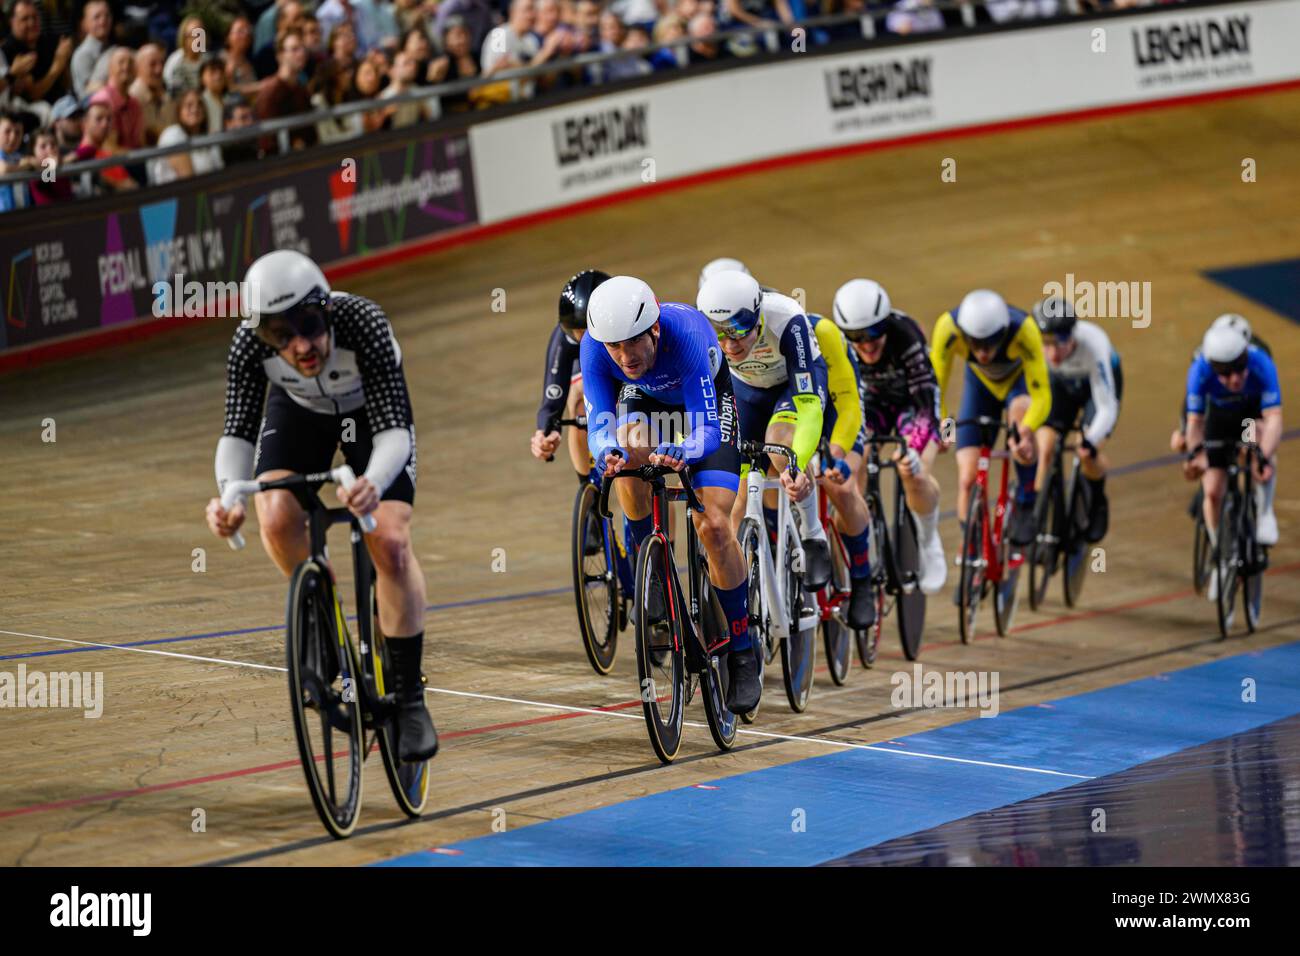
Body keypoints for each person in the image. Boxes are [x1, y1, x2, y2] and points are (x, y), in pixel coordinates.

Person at [205, 250, 438, 763]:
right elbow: (237, 432)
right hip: (301, 415)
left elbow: (395, 430)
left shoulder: (364, 322)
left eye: (308, 325)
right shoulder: (248, 342)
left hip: (371, 419)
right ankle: (324, 625)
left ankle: (409, 698)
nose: (301, 346)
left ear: (326, 308)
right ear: (264, 335)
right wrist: (228, 493)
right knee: (275, 514)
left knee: (391, 543)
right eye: (281, 337)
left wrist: (373, 482)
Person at [581, 275, 761, 714]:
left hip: (707, 408)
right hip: (649, 404)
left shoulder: (685, 337)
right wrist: (607, 450)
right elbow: (600, 424)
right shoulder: (594, 346)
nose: (624, 357)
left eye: (632, 344)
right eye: (614, 347)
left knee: (714, 526)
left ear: (654, 330)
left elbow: (704, 426)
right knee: (623, 456)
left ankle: (742, 648)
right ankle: (654, 572)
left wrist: (682, 449)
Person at [696, 270, 838, 596]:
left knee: (779, 449)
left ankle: (813, 533)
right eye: (721, 335)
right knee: (736, 496)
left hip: (791, 388)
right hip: (746, 393)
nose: (730, 346)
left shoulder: (788, 319)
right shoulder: (700, 330)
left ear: (759, 319)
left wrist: (797, 464)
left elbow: (810, 407)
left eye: (740, 333)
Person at [832, 278, 947, 595]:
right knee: (857, 462)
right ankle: (863, 535)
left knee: (913, 470)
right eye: (857, 337)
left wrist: (912, 449)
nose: (867, 344)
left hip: (911, 407)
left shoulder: (906, 335)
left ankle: (928, 539)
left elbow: (927, 406)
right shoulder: (837, 345)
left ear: (886, 323)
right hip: (869, 408)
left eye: (874, 332)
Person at [930, 289, 1051, 557]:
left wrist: (1027, 429)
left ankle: (1026, 501)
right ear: (964, 334)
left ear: (1004, 332)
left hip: (1016, 386)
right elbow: (935, 388)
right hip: (980, 388)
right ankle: (973, 545)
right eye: (975, 343)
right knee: (967, 478)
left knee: (1020, 430)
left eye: (990, 343)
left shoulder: (1025, 329)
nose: (983, 353)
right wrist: (946, 430)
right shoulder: (948, 328)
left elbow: (1042, 395)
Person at [1182, 319, 1282, 598]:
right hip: (1219, 419)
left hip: (1249, 417)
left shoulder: (1261, 362)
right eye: (1224, 374)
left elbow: (1274, 418)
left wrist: (1263, 455)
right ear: (1212, 367)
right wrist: (1196, 453)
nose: (1234, 379)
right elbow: (1194, 422)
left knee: (1257, 446)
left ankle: (1264, 513)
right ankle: (1221, 554)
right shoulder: (1199, 369)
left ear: (1246, 357)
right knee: (1212, 492)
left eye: (1239, 368)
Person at [1031, 296, 1121, 543]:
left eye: (1059, 343)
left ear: (1072, 335)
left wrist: (1090, 440)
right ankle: (1038, 512)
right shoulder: (1033, 345)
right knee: (1046, 447)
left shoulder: (1094, 344)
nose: (1052, 353)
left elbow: (1106, 407)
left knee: (1086, 452)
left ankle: (1096, 499)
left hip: (1095, 390)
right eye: (1045, 344)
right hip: (1060, 387)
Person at [531, 269, 609, 477]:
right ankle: (588, 483)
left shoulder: (626, 332)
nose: (585, 340)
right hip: (589, 371)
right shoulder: (564, 337)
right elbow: (552, 397)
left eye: (589, 332)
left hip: (621, 367)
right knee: (577, 396)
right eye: (578, 333)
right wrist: (546, 431)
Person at [1170, 312, 1271, 455]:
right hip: (1218, 409)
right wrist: (1184, 431)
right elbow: (1192, 398)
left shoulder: (1260, 354)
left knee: (1256, 445)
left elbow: (1265, 402)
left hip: (1249, 406)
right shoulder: (1202, 357)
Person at [254, 29, 317, 154]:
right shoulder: (270, 93)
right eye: (294, 49)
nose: (301, 54)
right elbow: (267, 140)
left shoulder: (301, 89)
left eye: (302, 48)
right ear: (280, 56)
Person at [3, 0, 73, 105]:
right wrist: (57, 66)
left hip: (64, 103)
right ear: (12, 22)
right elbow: (33, 96)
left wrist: (65, 62)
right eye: (25, 19)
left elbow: (67, 84)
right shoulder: (8, 51)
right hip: (35, 111)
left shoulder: (50, 42)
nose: (31, 23)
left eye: (35, 17)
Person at [148, 88, 224, 185]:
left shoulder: (209, 138)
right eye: (189, 105)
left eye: (200, 104)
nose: (195, 109)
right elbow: (189, 181)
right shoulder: (172, 134)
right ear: (179, 111)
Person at [70, 0, 112, 99]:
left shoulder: (111, 48)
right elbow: (90, 92)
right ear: (84, 24)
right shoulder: (82, 54)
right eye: (97, 17)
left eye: (107, 16)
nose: (103, 21)